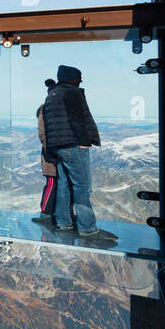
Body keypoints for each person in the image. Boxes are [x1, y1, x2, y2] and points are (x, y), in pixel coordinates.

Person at [40, 65, 114, 242]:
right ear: (71, 78)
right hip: (74, 145)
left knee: (65, 184)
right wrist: (83, 143)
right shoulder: (71, 93)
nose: (80, 80)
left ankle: (63, 223)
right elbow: (77, 120)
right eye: (78, 77)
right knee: (82, 186)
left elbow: (50, 126)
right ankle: (87, 228)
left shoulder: (51, 95)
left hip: (58, 147)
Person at [32, 79, 59, 226]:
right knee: (51, 183)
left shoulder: (56, 109)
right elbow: (43, 134)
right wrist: (50, 153)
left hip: (55, 153)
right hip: (50, 155)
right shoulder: (45, 110)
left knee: (58, 184)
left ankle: (54, 213)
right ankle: (45, 213)